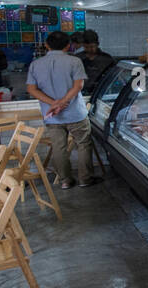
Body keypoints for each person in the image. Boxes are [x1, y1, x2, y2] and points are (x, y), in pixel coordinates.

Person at [26, 30, 98, 189]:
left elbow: (31, 89)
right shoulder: (74, 62)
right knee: (83, 144)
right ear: (68, 46)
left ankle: (65, 181)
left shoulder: (35, 64)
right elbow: (78, 86)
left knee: (59, 148)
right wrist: (62, 102)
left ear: (46, 45)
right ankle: (85, 179)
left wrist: (53, 104)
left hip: (52, 116)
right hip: (75, 114)